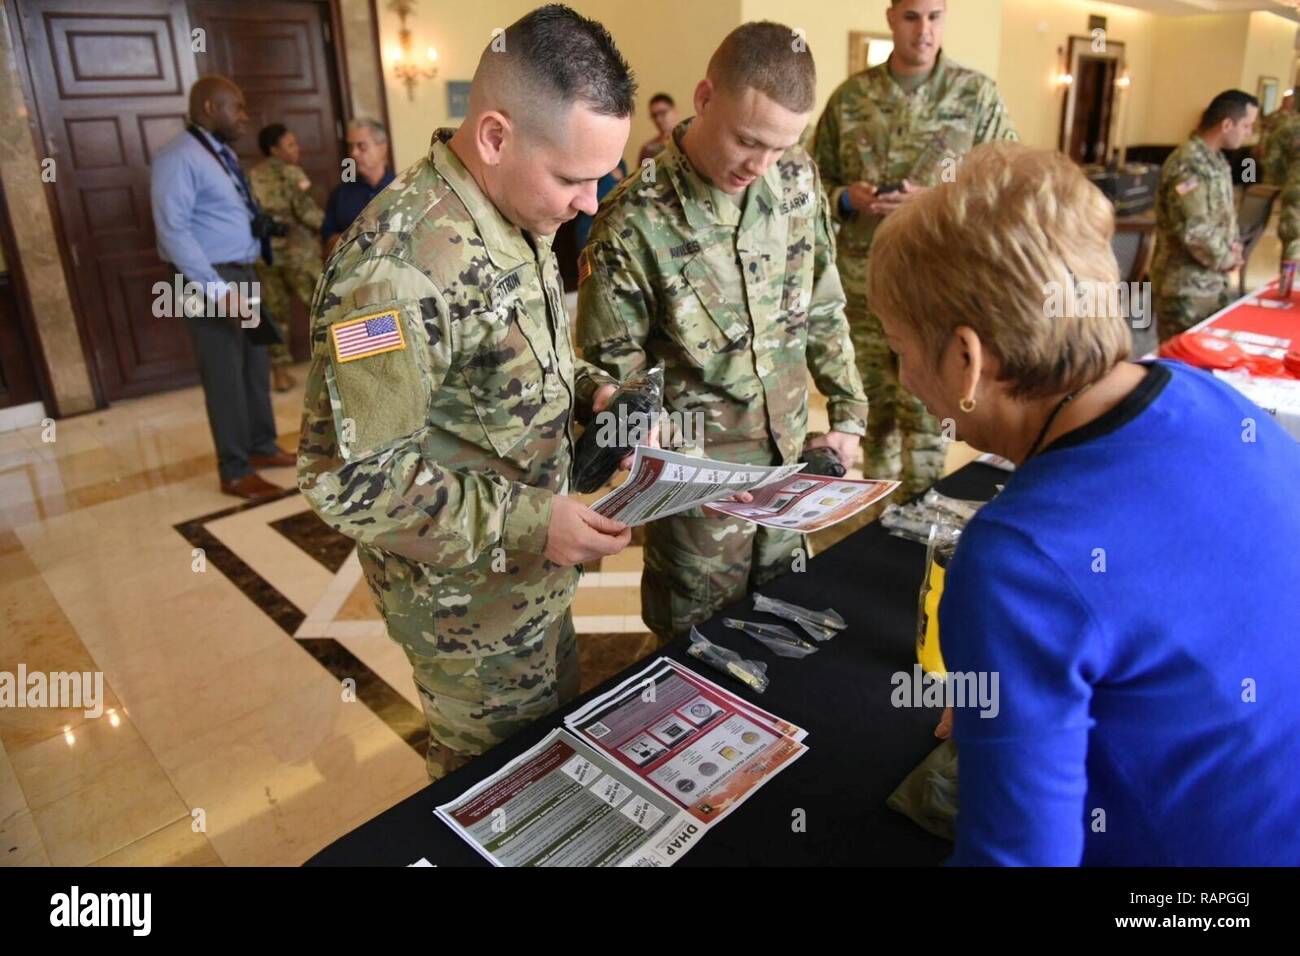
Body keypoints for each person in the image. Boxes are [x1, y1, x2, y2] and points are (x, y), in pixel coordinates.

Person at [869, 141, 1300, 866]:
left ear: (967, 360)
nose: (902, 376)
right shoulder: (1214, 396)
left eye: (898, 348)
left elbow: (1019, 860)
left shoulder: (1016, 559)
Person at [298, 4, 636, 781]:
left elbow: (505, 367)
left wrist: (593, 394)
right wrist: (531, 522)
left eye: (600, 179)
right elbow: (349, 480)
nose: (589, 203)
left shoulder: (514, 210)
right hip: (467, 614)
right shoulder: (396, 272)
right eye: (573, 179)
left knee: (551, 762)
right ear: (494, 135)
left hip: (532, 581)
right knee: (495, 792)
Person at [578, 21, 867, 643]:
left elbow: (822, 304)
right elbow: (608, 367)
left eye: (780, 147)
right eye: (747, 140)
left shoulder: (797, 182)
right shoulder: (632, 219)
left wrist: (847, 414)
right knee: (699, 650)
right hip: (696, 498)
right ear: (705, 97)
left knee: (787, 631)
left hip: (790, 469)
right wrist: (638, 435)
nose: (760, 166)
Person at [813, 0, 1016, 497]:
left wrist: (938, 197)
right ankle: (879, 514)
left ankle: (922, 510)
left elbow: (1007, 183)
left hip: (939, 289)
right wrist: (846, 196)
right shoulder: (851, 98)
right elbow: (810, 181)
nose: (923, 30)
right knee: (871, 407)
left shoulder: (977, 95)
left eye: (934, 16)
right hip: (863, 289)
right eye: (911, 17)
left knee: (933, 411)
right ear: (890, 18)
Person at [151, 75, 295, 501]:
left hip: (242, 274)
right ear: (211, 108)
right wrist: (217, 290)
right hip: (208, 281)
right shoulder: (177, 157)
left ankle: (261, 448)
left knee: (254, 363)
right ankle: (234, 471)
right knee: (224, 375)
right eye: (238, 107)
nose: (245, 117)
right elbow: (173, 232)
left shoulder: (219, 154)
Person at [1151, 89, 1257, 341]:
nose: (1249, 132)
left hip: (1209, 284)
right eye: (1246, 125)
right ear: (1227, 124)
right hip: (1185, 288)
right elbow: (1195, 230)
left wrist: (1234, 247)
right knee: (1181, 366)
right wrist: (1226, 259)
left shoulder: (1215, 160)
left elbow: (1221, 217)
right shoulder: (1189, 164)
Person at [249, 123, 325, 391]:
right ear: (274, 149)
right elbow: (305, 212)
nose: (297, 149)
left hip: (264, 253)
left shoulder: (252, 175)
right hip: (296, 251)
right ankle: (333, 367)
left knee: (274, 313)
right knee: (321, 305)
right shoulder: (292, 172)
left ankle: (280, 375)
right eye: (290, 144)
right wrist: (332, 228)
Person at [321, 117, 395, 255]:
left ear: (382, 147)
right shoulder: (340, 194)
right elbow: (328, 238)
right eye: (351, 146)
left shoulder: (402, 189)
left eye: (362, 146)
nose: (353, 153)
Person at [636, 92, 676, 165]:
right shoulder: (648, 150)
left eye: (663, 113)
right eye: (654, 115)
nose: (658, 119)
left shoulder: (689, 141)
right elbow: (647, 176)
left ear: (674, 111)